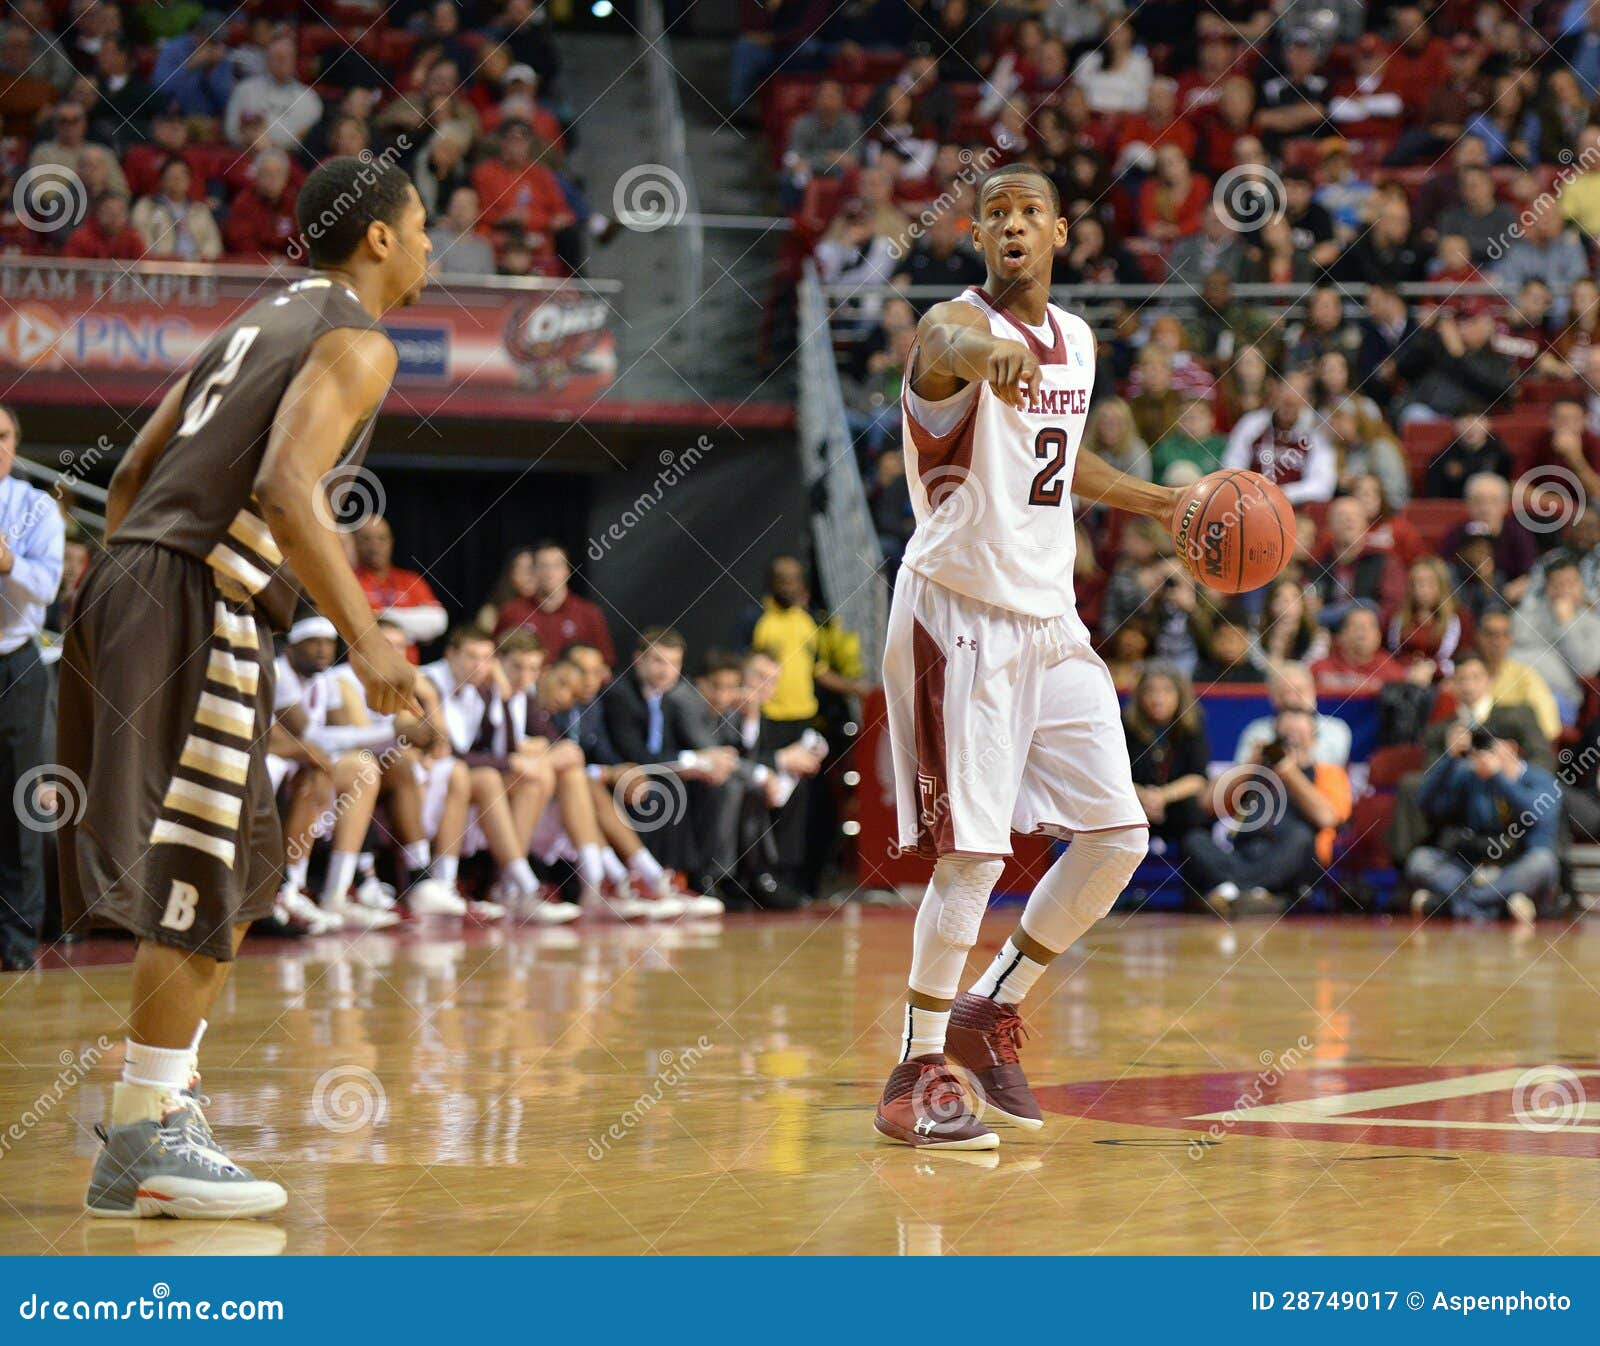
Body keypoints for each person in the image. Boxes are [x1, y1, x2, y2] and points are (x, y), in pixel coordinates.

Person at [56, 157, 430, 1219]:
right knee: (202, 862)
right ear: (379, 241)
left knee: (231, 852)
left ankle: (150, 1115)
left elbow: (133, 469)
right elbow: (282, 486)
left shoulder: (254, 322)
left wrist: (132, 594)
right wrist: (367, 640)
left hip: (139, 574)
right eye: (424, 229)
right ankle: (144, 1133)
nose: (432, 250)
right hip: (193, 591)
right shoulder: (357, 339)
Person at [873, 164, 1181, 1152]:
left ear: (1059, 233)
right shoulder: (952, 328)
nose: (1011, 225)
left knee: (1117, 833)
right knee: (972, 856)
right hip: (956, 613)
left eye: (1028, 212)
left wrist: (1160, 502)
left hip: (1049, 621)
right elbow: (938, 347)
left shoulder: (1078, 340)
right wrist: (982, 355)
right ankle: (913, 1067)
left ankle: (990, 1002)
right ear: (976, 236)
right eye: (993, 213)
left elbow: (1059, 453)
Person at [0, 404, 64, 971]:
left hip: (15, 662)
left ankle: (18, 945)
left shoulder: (35, 506)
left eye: (0, 436)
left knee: (21, 802)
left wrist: (6, 561)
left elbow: (46, 586)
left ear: (15, 443)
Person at [1184, 707, 1352, 916]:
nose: (1292, 743)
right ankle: (1256, 893)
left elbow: (1327, 817)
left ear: (1314, 739)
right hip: (1244, 852)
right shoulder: (1256, 772)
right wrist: (1251, 764)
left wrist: (1291, 773)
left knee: (1301, 837)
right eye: (1285, 738)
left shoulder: (1328, 772)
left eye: (1299, 736)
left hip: (1291, 858)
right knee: (1195, 840)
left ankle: (1231, 891)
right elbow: (1207, 803)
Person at [1405, 727, 1559, 924]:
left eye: (1490, 748)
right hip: (1470, 870)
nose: (1483, 756)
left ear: (1511, 748)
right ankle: (1498, 906)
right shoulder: (1469, 776)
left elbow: (1537, 815)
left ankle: (1454, 905)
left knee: (1543, 862)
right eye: (1479, 749)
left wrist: (1499, 778)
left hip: (1513, 867)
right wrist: (1450, 758)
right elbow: (1424, 803)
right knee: (1420, 860)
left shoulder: (1540, 779)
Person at [1123, 662, 1209, 847]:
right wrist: (1143, 796)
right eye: (1150, 691)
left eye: (1167, 691)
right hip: (1134, 805)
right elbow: (1112, 776)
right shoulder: (1124, 726)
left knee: (1193, 810)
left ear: (1180, 695)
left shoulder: (1191, 726)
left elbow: (1198, 779)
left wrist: (1162, 796)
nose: (1158, 699)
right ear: (1139, 696)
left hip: (1175, 808)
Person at [490, 541, 615, 663]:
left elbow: (605, 664)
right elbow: (494, 658)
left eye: (557, 565)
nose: (550, 572)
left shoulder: (589, 614)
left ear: (567, 570)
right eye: (543, 566)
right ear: (533, 571)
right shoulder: (511, 612)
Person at [351, 515, 447, 659]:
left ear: (391, 542)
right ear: (355, 543)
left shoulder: (410, 579)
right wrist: (412, 624)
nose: (374, 546)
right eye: (366, 539)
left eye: (381, 539)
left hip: (409, 668)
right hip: (364, 668)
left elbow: (437, 622)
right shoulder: (349, 580)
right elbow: (353, 624)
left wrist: (382, 615)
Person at [1235, 660, 1351, 767]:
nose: (1291, 700)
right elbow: (1239, 776)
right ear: (1272, 698)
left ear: (1313, 692)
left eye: (1298, 691)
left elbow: (1328, 767)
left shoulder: (1335, 729)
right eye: (1283, 693)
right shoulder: (1257, 731)